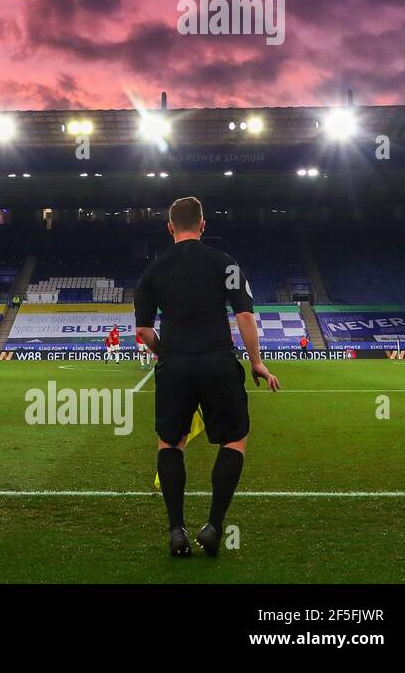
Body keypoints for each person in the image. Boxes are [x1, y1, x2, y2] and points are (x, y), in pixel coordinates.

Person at [134, 197, 280, 558]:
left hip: (176, 365)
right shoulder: (225, 263)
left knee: (170, 444)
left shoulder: (153, 271)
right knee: (234, 441)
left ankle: (176, 531)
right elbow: (245, 317)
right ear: (202, 226)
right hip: (218, 361)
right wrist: (257, 362)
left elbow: (143, 331)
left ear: (170, 228)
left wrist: (165, 354)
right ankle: (214, 526)